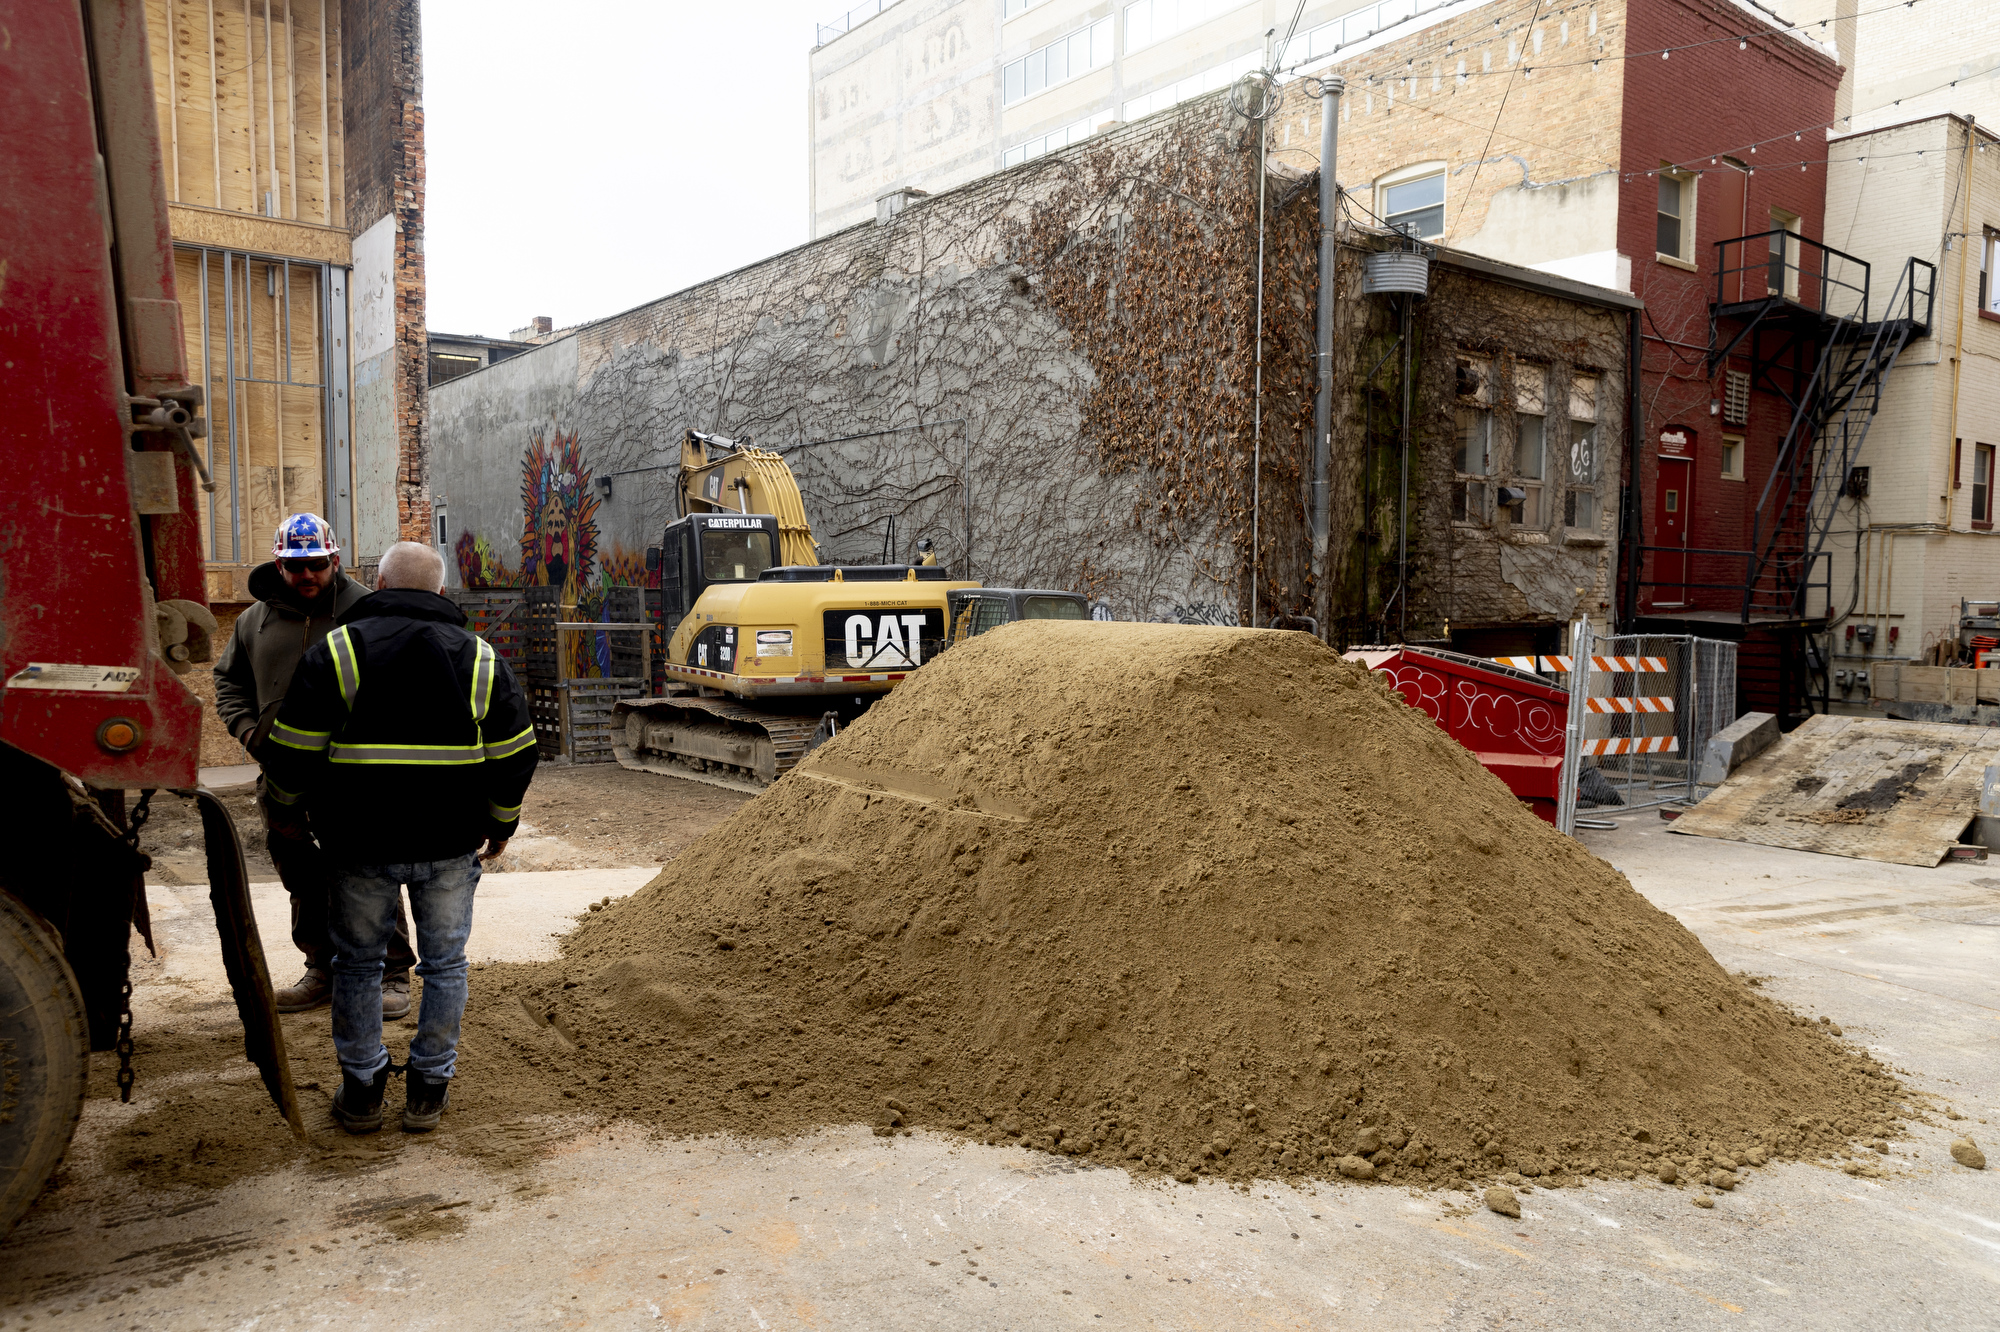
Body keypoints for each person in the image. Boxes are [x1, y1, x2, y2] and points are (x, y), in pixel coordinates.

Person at [262, 541, 537, 1134]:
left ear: (378, 583)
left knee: (357, 966)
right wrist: (500, 822)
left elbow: (292, 751)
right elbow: (515, 754)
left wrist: (285, 811)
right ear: (440, 592)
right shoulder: (481, 658)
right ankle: (428, 1091)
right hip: (448, 845)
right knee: (445, 966)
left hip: (358, 844)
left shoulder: (338, 651)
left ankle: (362, 1092)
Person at [212, 514, 417, 1017]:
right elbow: (228, 682)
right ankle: (321, 968)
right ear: (279, 565)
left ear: (335, 560)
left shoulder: (368, 610)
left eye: (318, 566)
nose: (307, 576)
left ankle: (392, 974)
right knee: (302, 875)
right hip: (282, 775)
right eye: (295, 567)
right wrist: (246, 731)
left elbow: (399, 683)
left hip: (356, 775)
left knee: (371, 871)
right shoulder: (251, 621)